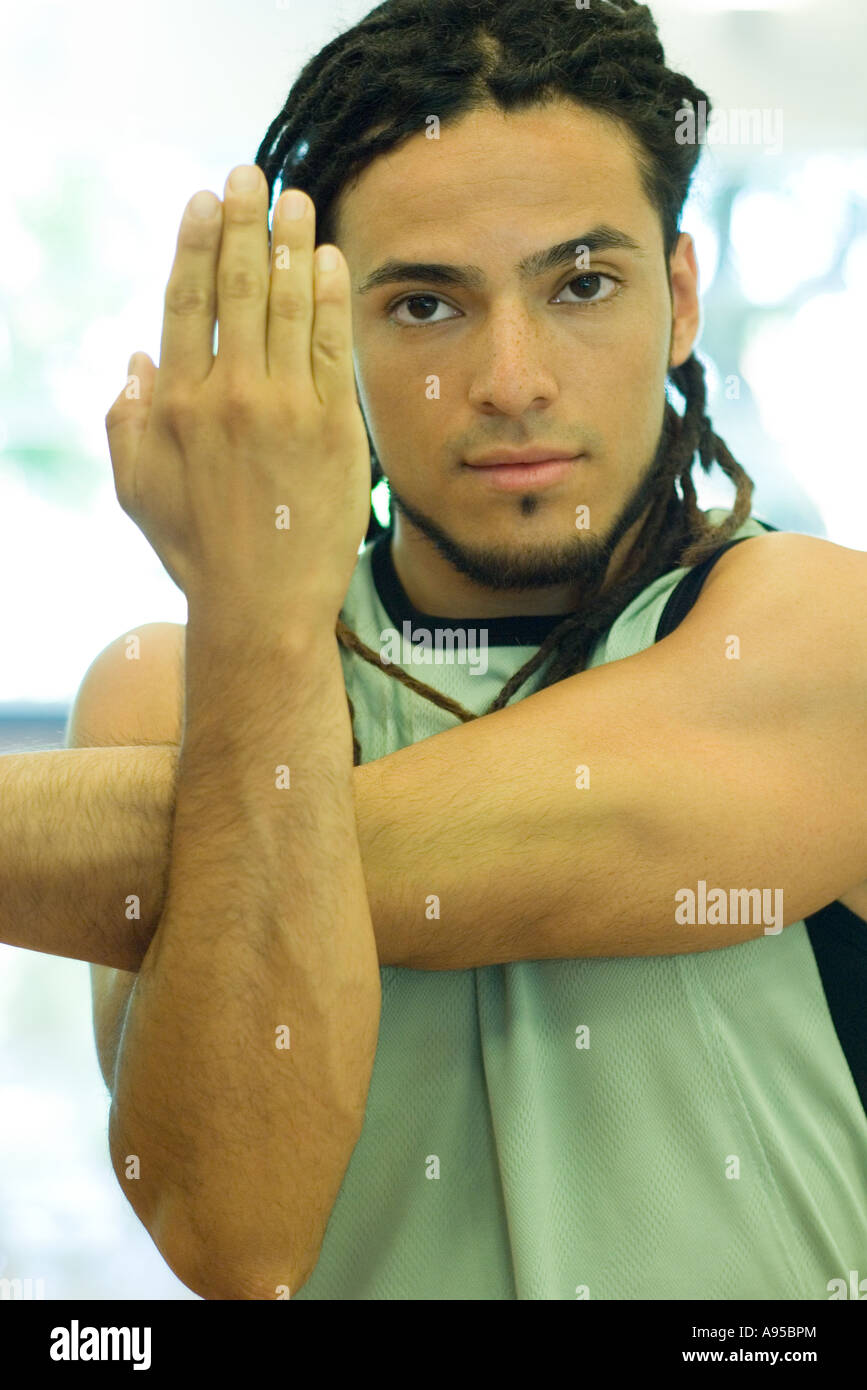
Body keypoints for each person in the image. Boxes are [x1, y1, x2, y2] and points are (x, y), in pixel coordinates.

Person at [5, 0, 866, 1299]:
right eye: (423, 305)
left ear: (680, 297)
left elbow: (355, 851)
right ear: (324, 331)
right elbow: (233, 1241)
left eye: (583, 283)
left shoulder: (818, 631)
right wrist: (259, 617)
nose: (513, 379)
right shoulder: (164, 686)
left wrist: (209, 840)